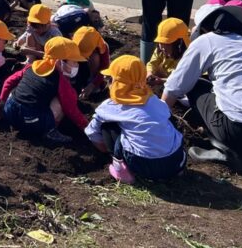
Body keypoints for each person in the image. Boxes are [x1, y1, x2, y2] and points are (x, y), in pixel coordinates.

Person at [162, 5, 242, 166]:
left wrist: (158, 120)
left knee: (196, 86)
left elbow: (175, 86)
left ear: (204, 28)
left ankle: (224, 148)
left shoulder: (208, 40)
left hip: (238, 134)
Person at [86, 55, 186, 184]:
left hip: (143, 165)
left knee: (108, 127)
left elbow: (91, 133)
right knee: (167, 122)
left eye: (110, 79)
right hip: (175, 161)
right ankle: (174, 172)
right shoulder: (154, 100)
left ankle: (121, 169)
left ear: (117, 83)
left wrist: (104, 149)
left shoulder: (109, 107)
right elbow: (166, 113)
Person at [0, 37, 88, 143]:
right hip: (31, 121)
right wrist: (85, 126)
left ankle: (14, 119)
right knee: (60, 103)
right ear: (59, 62)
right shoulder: (60, 81)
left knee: (20, 87)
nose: (77, 66)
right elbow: (71, 109)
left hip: (9, 113)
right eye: (74, 62)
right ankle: (50, 132)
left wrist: (2, 101)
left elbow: (8, 82)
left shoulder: (31, 66)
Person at [146, 18, 189, 88]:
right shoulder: (160, 49)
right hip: (168, 77)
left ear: (179, 43)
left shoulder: (187, 57)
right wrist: (149, 74)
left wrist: (162, 81)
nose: (162, 47)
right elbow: (152, 64)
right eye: (160, 42)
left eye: (167, 43)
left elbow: (182, 79)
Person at [71, 26, 111, 100]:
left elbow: (104, 69)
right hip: (79, 68)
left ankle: (92, 79)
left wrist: (92, 85)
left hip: (91, 68)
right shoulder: (72, 43)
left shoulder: (102, 46)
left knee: (95, 58)